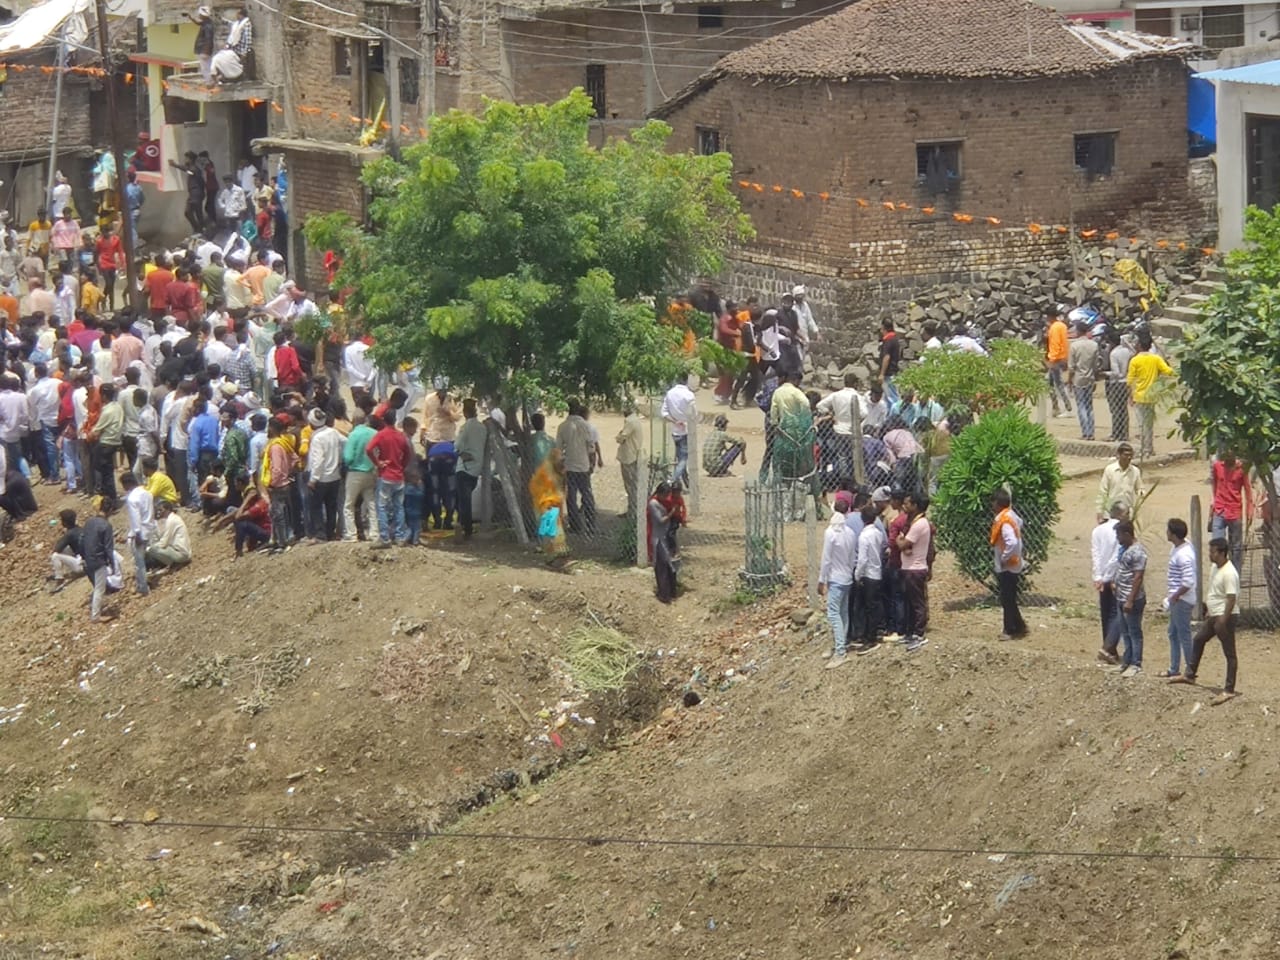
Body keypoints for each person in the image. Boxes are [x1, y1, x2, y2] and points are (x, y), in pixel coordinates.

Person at [1170, 538, 1239, 706]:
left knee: (1229, 653)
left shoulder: (1230, 573)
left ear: (1222, 553)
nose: (1210, 554)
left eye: (1213, 551)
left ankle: (1229, 690)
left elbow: (1231, 598)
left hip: (1225, 617)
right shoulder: (1216, 567)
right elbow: (1215, 592)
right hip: (1215, 615)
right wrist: (1209, 610)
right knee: (1199, 640)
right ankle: (1190, 674)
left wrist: (1223, 619)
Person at [818, 493, 858, 667]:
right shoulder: (850, 533)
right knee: (843, 613)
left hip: (835, 578)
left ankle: (840, 651)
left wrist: (822, 580)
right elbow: (851, 557)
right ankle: (840, 645)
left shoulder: (830, 533)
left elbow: (826, 559)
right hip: (847, 577)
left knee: (833, 613)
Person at [366, 408, 411, 548]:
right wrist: (401, 467)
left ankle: (385, 538)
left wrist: (378, 463)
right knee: (399, 507)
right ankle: (399, 536)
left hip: (385, 475)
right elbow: (407, 454)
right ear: (395, 420)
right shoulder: (401, 436)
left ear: (383, 420)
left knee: (382, 506)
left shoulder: (381, 435)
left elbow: (368, 449)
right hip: (398, 476)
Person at [1126, 333, 1173, 459]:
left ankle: (1143, 449)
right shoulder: (1156, 359)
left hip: (1139, 395)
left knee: (1141, 425)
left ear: (1139, 346)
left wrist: (1130, 396)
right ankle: (1149, 448)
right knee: (1149, 424)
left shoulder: (1135, 360)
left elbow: (1130, 380)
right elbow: (1168, 371)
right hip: (1152, 395)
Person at [990, 488, 1028, 641]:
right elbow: (1020, 523)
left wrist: (1005, 557)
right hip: (1015, 562)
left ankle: (1009, 629)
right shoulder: (1010, 515)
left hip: (1008, 565)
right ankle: (1019, 625)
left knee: (1007, 598)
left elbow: (1011, 542)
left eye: (993, 503)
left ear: (998, 504)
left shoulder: (1004, 520)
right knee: (1009, 597)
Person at [895, 491, 931, 652]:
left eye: (908, 503)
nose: (905, 506)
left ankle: (919, 634)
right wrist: (902, 542)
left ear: (916, 506)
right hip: (909, 568)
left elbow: (903, 543)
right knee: (910, 602)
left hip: (915, 569)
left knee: (917, 603)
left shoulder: (920, 524)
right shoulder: (912, 522)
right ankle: (910, 633)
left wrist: (900, 541)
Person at [1110, 519, 1146, 678]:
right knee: (1125, 632)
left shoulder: (1137, 552)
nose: (1117, 538)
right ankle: (1126, 661)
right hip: (1120, 596)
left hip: (1132, 599)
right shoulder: (1124, 549)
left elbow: (1138, 577)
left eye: (1119, 534)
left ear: (1127, 534)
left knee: (1134, 631)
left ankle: (1136, 663)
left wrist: (1130, 600)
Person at [816, 373, 864, 489]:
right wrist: (856, 420)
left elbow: (820, 405)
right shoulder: (857, 396)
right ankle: (853, 481)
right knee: (853, 455)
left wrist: (832, 414)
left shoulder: (836, 395)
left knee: (842, 456)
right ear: (855, 383)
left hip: (839, 429)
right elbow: (864, 413)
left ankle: (843, 481)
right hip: (853, 431)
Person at [1092, 500, 1126, 665]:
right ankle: (1109, 647)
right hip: (1114, 577)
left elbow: (1096, 555)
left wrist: (1098, 576)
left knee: (1105, 613)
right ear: (1121, 514)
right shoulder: (1119, 530)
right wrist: (1107, 577)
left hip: (1102, 578)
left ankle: (1107, 646)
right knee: (1116, 613)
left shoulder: (1098, 530)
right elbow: (1116, 557)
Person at [1163, 517, 1197, 680]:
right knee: (1173, 632)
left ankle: (1190, 670)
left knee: (1183, 634)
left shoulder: (1183, 555)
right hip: (1178, 599)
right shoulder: (1181, 548)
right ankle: (1174, 667)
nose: (1166, 533)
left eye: (1168, 530)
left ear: (1174, 534)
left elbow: (1188, 581)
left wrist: (1175, 596)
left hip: (1182, 600)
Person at [1210, 450, 1252, 573]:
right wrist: (1212, 504)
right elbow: (1214, 485)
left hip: (1235, 512)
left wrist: (1249, 511)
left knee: (1236, 548)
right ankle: (1219, 575)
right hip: (1220, 510)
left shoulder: (1242, 468)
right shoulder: (1217, 466)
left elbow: (1248, 490)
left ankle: (1235, 577)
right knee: (1216, 545)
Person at [852, 503, 887, 653]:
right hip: (877, 572)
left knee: (868, 607)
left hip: (867, 575)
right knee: (874, 605)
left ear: (862, 519)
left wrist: (857, 575)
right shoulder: (878, 533)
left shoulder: (863, 536)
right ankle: (873, 634)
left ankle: (870, 638)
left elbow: (862, 559)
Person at [529, 446, 569, 567]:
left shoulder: (554, 470)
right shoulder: (546, 473)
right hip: (546, 504)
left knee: (552, 531)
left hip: (551, 503)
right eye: (560, 460)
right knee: (554, 532)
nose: (563, 463)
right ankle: (556, 557)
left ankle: (554, 557)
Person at [306, 408, 343, 541]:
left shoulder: (317, 438)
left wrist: (313, 479)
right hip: (335, 476)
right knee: (331, 507)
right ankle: (330, 533)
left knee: (316, 507)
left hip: (321, 478)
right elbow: (346, 441)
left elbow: (318, 461)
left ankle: (320, 534)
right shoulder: (333, 432)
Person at [341, 410, 377, 541]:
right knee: (371, 504)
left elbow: (348, 457)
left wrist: (348, 463)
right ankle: (374, 533)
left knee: (349, 505)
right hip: (371, 471)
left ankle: (351, 534)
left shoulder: (353, 435)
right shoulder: (374, 433)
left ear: (353, 420)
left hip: (355, 472)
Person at [453, 399, 485, 539]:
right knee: (466, 499)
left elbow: (457, 445)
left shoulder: (465, 427)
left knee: (463, 501)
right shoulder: (482, 428)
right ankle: (464, 526)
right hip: (476, 468)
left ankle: (466, 528)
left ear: (465, 412)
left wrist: (461, 453)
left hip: (464, 468)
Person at [82, 495, 117, 622]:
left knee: (97, 585)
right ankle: (96, 616)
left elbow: (83, 540)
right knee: (99, 588)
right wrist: (113, 564)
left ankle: (96, 611)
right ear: (110, 510)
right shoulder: (106, 526)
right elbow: (108, 548)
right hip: (98, 559)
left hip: (88, 557)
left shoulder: (89, 522)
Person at [121, 471, 155, 597]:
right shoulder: (147, 493)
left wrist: (137, 534)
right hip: (150, 529)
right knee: (148, 558)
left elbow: (135, 519)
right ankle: (149, 580)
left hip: (140, 532)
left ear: (128, 483)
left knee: (139, 562)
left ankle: (143, 588)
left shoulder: (132, 498)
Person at [1066, 321, 1099, 440]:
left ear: (1079, 331)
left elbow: (1071, 367)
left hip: (1078, 379)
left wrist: (1069, 381)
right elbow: (1096, 365)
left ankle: (1086, 432)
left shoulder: (1074, 346)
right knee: (1089, 406)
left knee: (1081, 406)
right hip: (1090, 377)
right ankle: (1091, 432)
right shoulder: (1094, 345)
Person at [660, 378, 696, 487]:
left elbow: (664, 413)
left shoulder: (669, 393)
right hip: (686, 431)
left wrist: (675, 421)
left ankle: (686, 482)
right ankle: (672, 481)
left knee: (680, 458)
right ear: (686, 380)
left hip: (675, 431)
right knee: (683, 459)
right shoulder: (689, 395)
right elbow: (694, 414)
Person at [648, 482, 679, 603]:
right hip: (658, 538)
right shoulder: (653, 504)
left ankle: (671, 592)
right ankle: (664, 594)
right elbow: (660, 520)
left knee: (669, 564)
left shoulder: (662, 503)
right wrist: (671, 513)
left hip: (665, 537)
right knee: (662, 566)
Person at [1096, 442, 1141, 523]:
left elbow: (1139, 488)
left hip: (1127, 514)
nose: (1128, 458)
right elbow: (1103, 491)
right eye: (1126, 455)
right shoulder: (1110, 470)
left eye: (1130, 455)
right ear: (1118, 455)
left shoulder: (1135, 471)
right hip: (1110, 513)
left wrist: (1141, 493)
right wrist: (1099, 512)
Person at [615, 404, 644, 519]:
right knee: (632, 485)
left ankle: (633, 512)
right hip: (633, 454)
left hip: (628, 456)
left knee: (630, 486)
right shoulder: (635, 420)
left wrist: (618, 436)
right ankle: (633, 510)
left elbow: (621, 437)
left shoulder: (630, 422)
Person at [146, 499, 192, 571]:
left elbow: (164, 542)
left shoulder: (171, 521)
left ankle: (175, 563)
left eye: (161, 510)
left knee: (153, 549)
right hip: (182, 551)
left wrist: (148, 549)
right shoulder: (173, 518)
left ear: (167, 509)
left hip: (182, 554)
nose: (159, 512)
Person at [211, 6, 253, 82]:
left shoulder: (246, 24)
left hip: (242, 50)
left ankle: (245, 80)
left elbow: (247, 39)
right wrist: (220, 18)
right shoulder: (237, 24)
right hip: (235, 48)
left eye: (237, 14)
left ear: (241, 15)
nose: (236, 15)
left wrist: (245, 52)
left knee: (243, 66)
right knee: (235, 64)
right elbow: (230, 23)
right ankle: (237, 79)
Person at [1044, 306, 1072, 418]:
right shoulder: (1062, 326)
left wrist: (1051, 360)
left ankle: (1067, 406)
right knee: (1050, 383)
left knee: (1058, 383)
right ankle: (1056, 407)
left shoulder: (1054, 328)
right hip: (1062, 357)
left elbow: (1055, 344)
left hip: (1055, 359)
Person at [1105, 331, 1133, 442]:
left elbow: (1116, 373)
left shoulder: (1113, 354)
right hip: (1125, 382)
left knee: (1115, 410)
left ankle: (1116, 433)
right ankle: (1124, 433)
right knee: (1123, 409)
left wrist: (1106, 374)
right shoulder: (1126, 351)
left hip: (1116, 383)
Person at [48, 508, 85, 588]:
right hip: (90, 561)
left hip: (82, 566)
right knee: (68, 548)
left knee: (55, 556)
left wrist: (63, 537)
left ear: (64, 522)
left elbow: (57, 549)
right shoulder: (81, 529)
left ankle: (59, 579)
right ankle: (61, 572)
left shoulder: (69, 534)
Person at [876, 318, 901, 406]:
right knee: (888, 397)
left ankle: (896, 416)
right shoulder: (894, 338)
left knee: (892, 398)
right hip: (893, 372)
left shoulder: (888, 340)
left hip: (888, 374)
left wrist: (882, 373)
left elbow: (886, 357)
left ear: (883, 327)